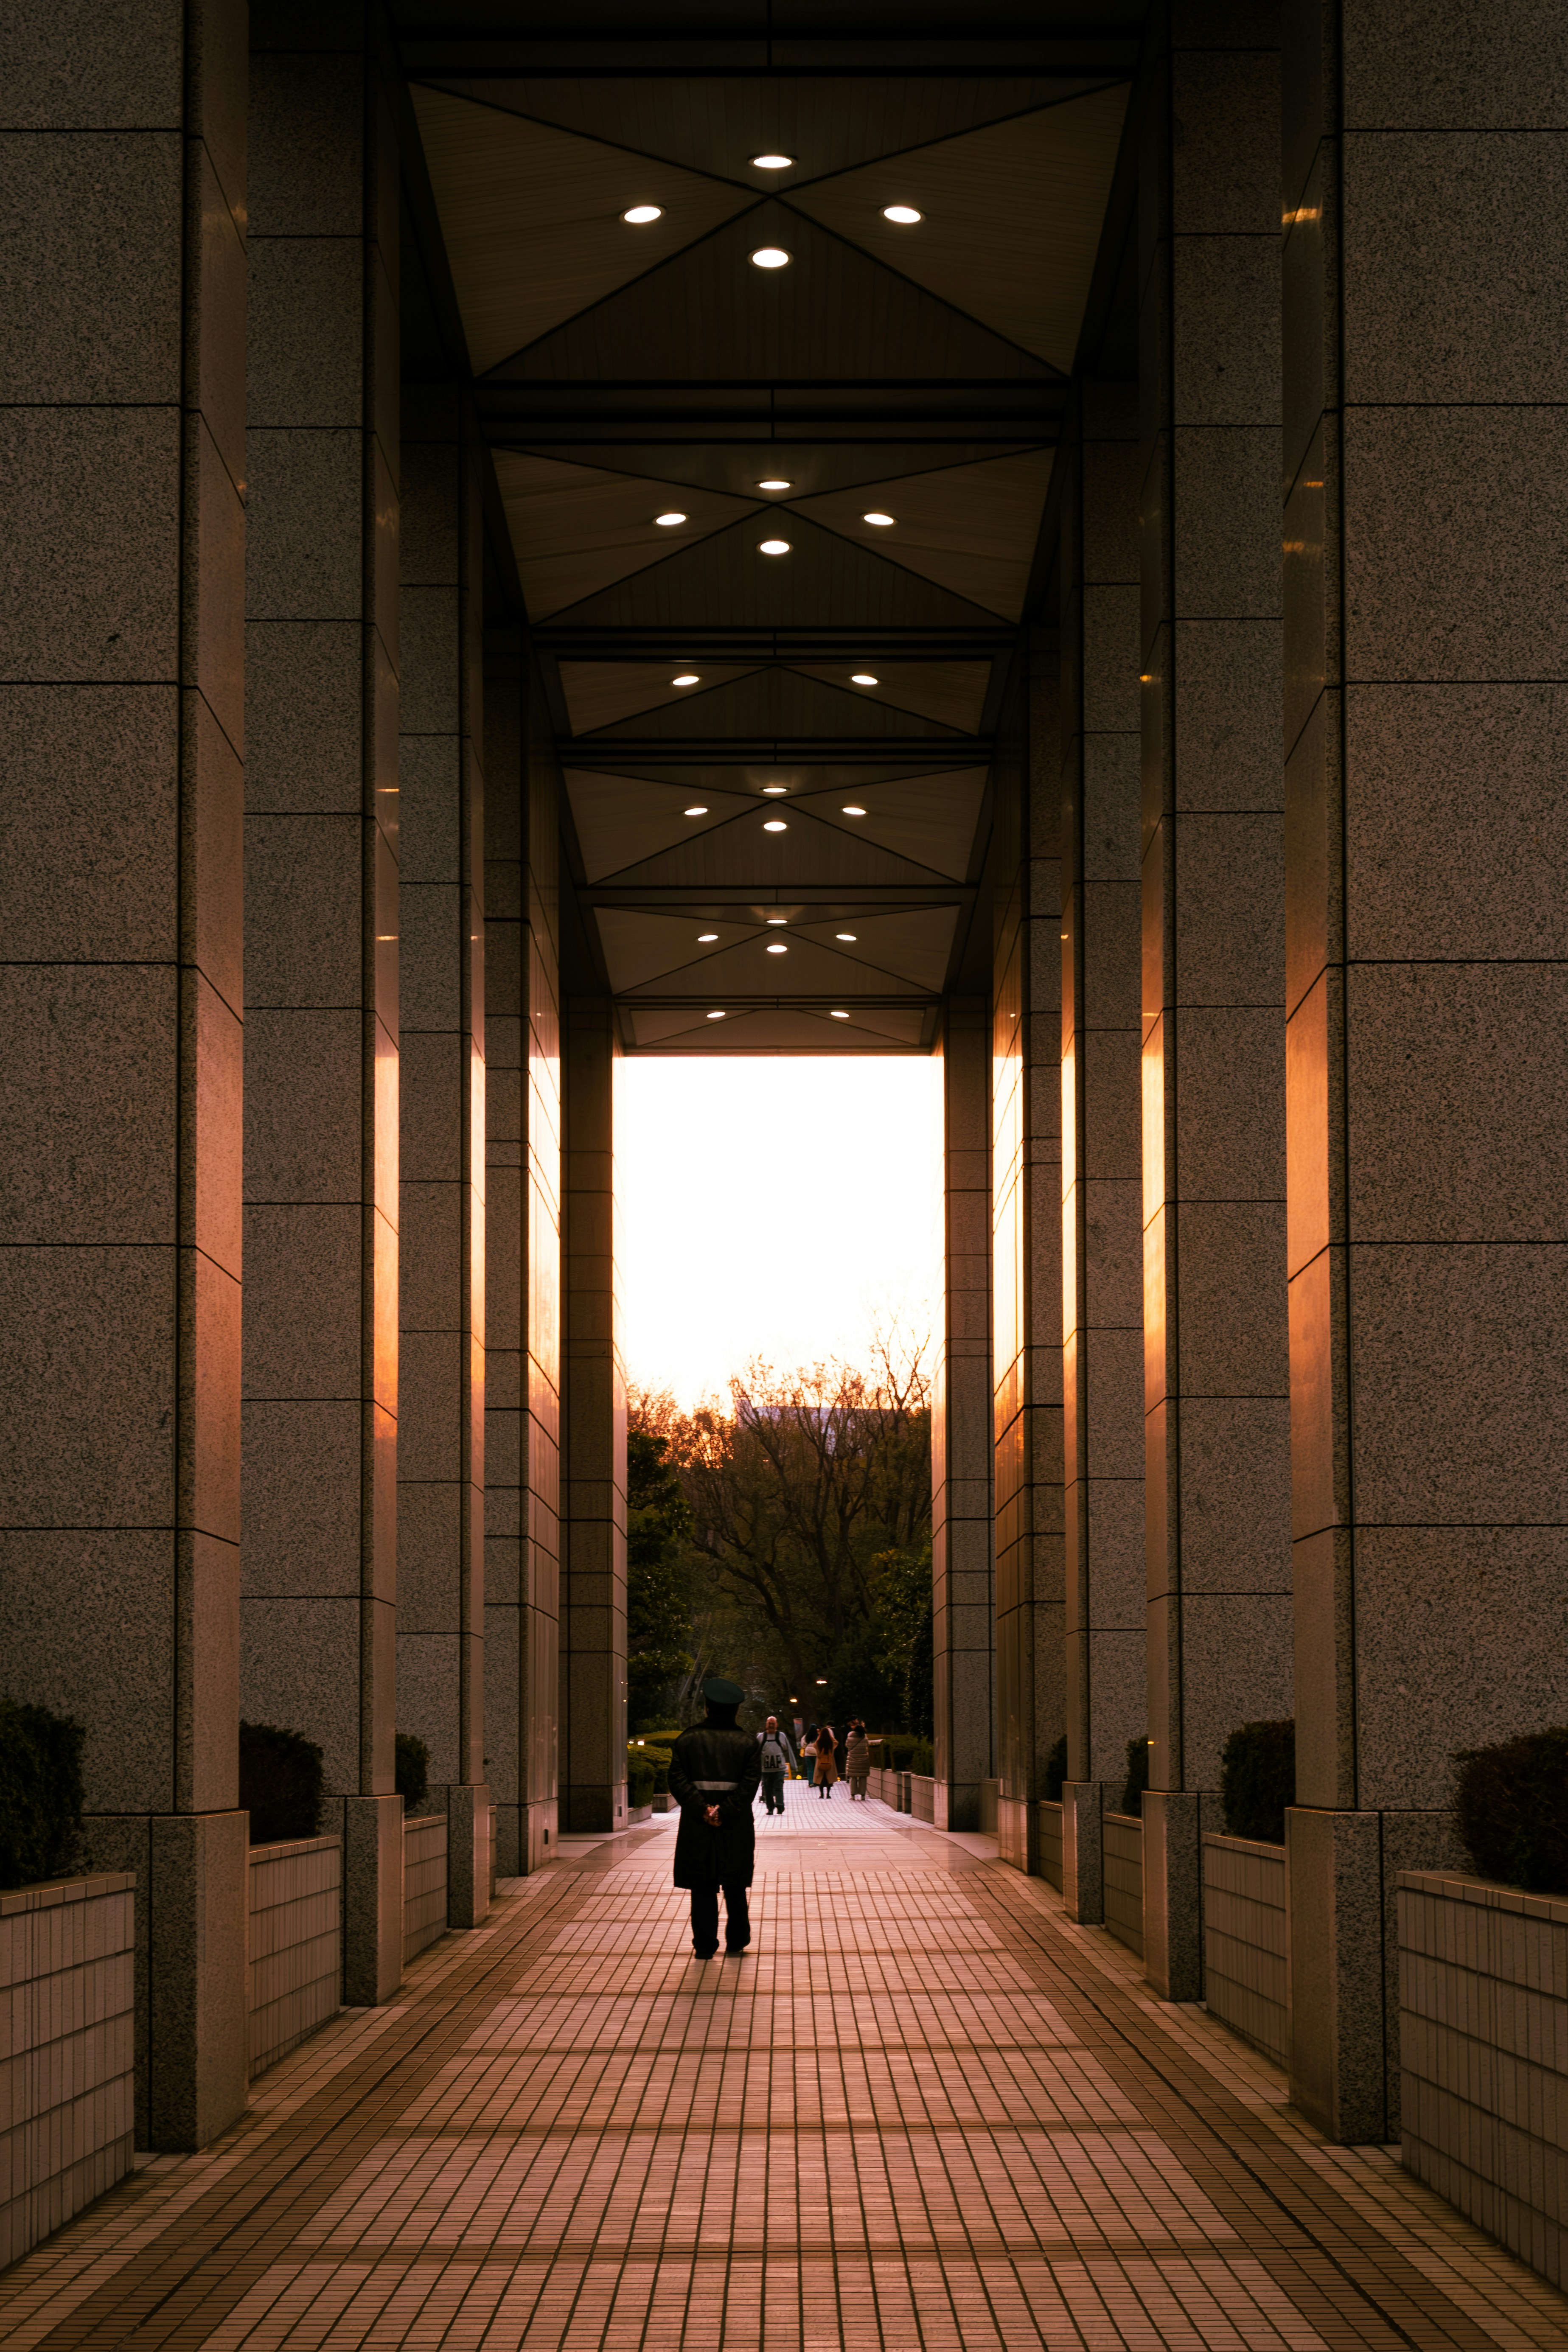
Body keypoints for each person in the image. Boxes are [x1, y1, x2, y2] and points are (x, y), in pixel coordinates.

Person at [668, 1676, 762, 1957]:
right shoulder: (748, 1743)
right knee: (735, 1885)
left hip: (697, 1825)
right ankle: (737, 1940)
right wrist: (724, 1811)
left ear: (707, 1708)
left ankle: (705, 1945)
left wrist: (703, 1809)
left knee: (702, 1886)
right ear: (735, 1711)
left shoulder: (687, 1740)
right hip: (736, 1825)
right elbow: (749, 1786)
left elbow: (677, 1780)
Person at [756, 1715, 795, 1815]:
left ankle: (780, 1806)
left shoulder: (781, 1736)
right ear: (767, 1725)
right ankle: (770, 1808)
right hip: (765, 1769)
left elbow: (788, 1750)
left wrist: (793, 1765)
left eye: (773, 1724)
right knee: (767, 1789)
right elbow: (755, 1753)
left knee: (779, 1787)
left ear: (777, 1725)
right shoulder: (761, 1737)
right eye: (770, 1724)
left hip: (780, 1768)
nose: (771, 1726)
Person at [844, 1721, 870, 1800]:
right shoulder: (865, 1739)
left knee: (853, 1778)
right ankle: (863, 1796)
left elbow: (847, 1746)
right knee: (863, 1778)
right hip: (864, 1761)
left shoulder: (850, 1738)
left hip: (853, 1760)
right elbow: (868, 1746)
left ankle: (853, 1796)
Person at [813, 1723, 840, 1800]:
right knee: (829, 1779)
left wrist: (819, 1737)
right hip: (830, 1761)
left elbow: (814, 1746)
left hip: (820, 1762)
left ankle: (822, 1795)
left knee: (821, 1779)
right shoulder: (831, 1743)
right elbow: (836, 1742)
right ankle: (828, 1795)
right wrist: (831, 1737)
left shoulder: (819, 1742)